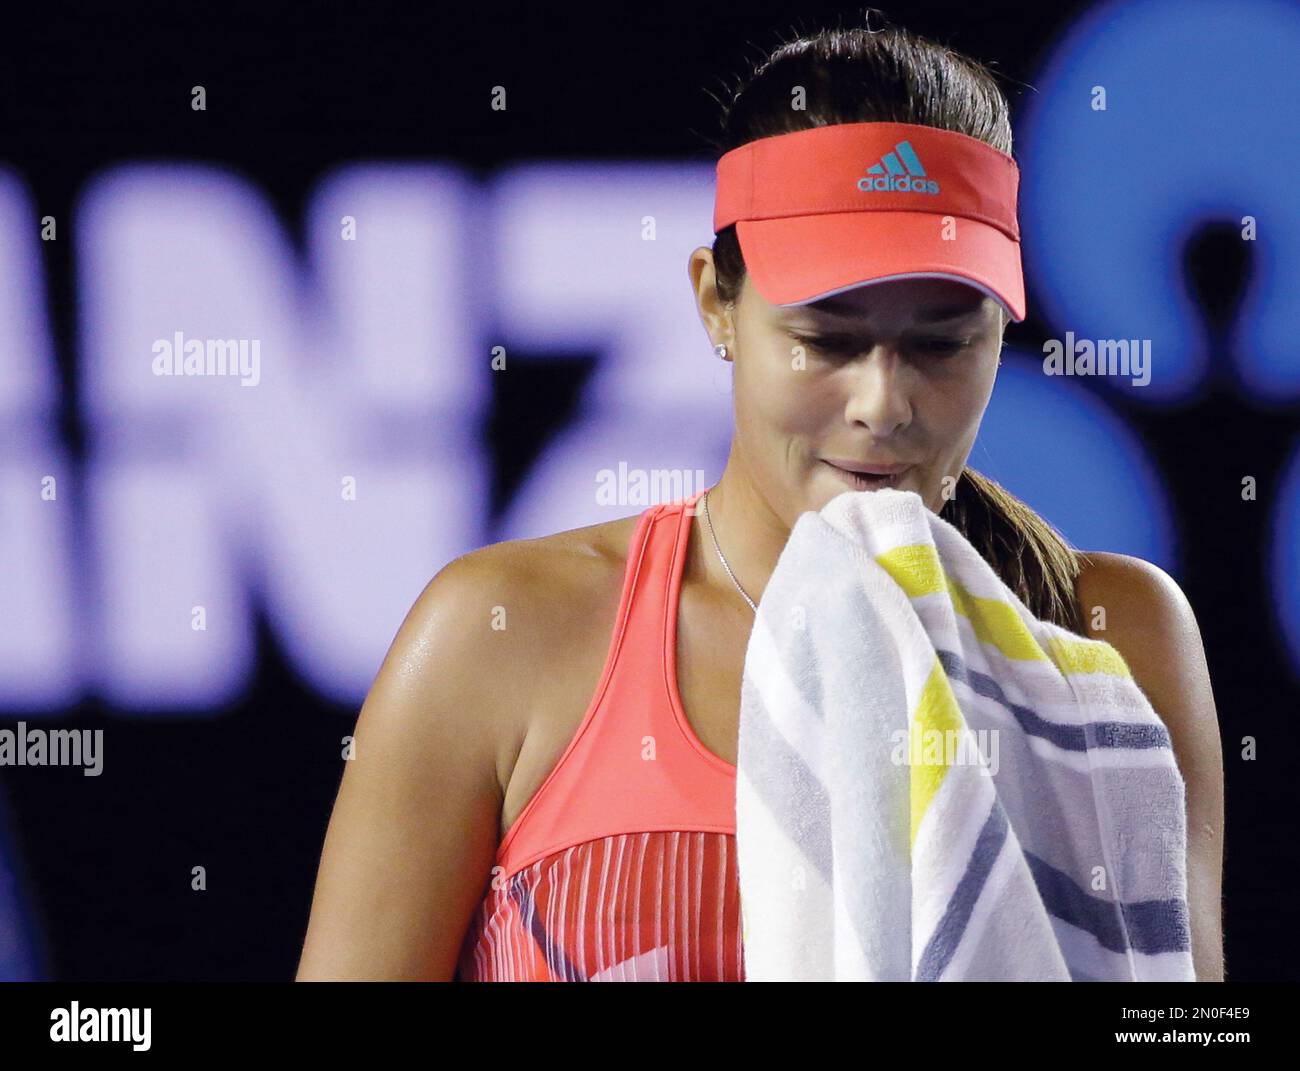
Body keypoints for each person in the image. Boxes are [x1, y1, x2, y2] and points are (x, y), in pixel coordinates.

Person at [295, 16, 1225, 982]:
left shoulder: (1123, 634)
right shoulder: (494, 636)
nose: (885, 404)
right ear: (714, 305)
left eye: (943, 342)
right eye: (827, 340)